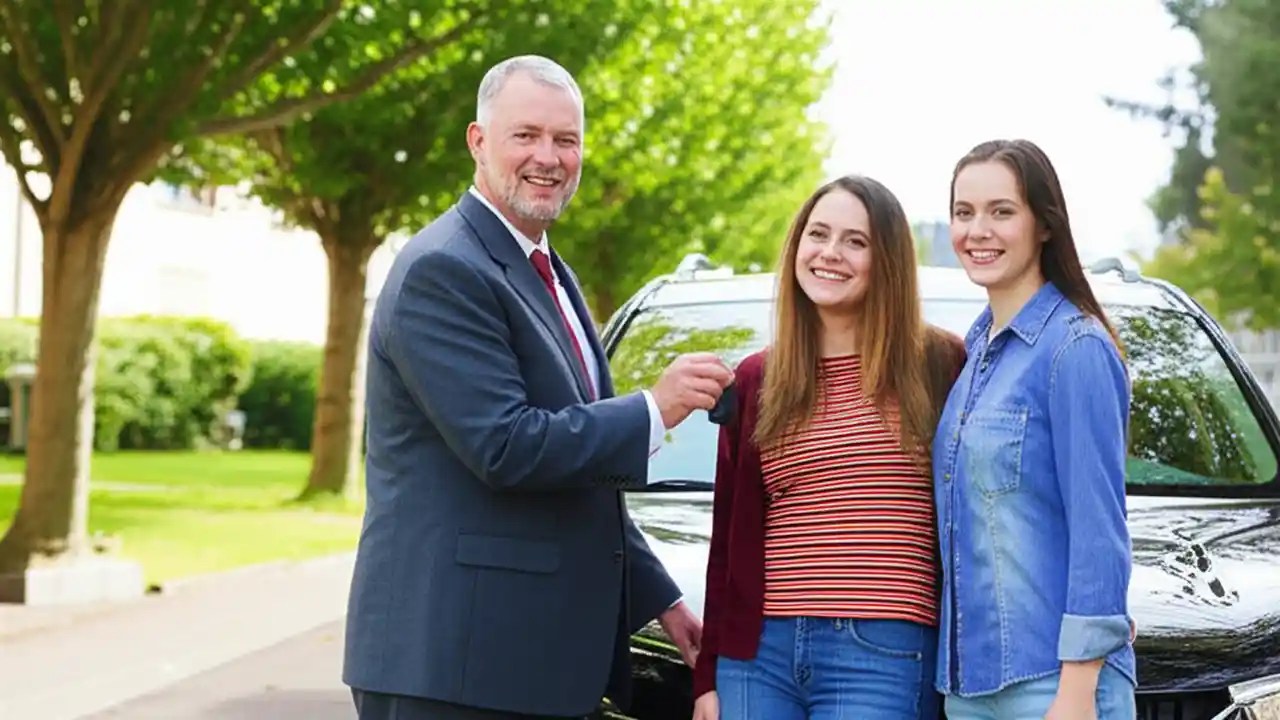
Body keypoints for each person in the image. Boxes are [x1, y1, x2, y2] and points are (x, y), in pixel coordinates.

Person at [342, 54, 734, 720]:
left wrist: (661, 602)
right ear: (478, 141)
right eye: (526, 135)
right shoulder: (445, 270)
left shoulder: (547, 269)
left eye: (566, 139)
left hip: (518, 669)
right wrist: (654, 408)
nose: (547, 157)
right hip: (453, 670)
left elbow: (582, 480)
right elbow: (506, 446)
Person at [691, 175, 967, 720]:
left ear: (885, 259)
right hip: (758, 657)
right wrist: (707, 679)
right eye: (818, 234)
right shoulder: (757, 378)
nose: (830, 254)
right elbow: (727, 540)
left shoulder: (941, 364)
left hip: (883, 651)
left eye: (855, 241)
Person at [932, 139, 1137, 719]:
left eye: (1002, 211)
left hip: (1052, 685)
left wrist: (1076, 693)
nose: (978, 230)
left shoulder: (1075, 347)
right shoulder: (974, 354)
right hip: (969, 689)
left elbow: (1100, 531)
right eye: (964, 212)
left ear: (1044, 224)